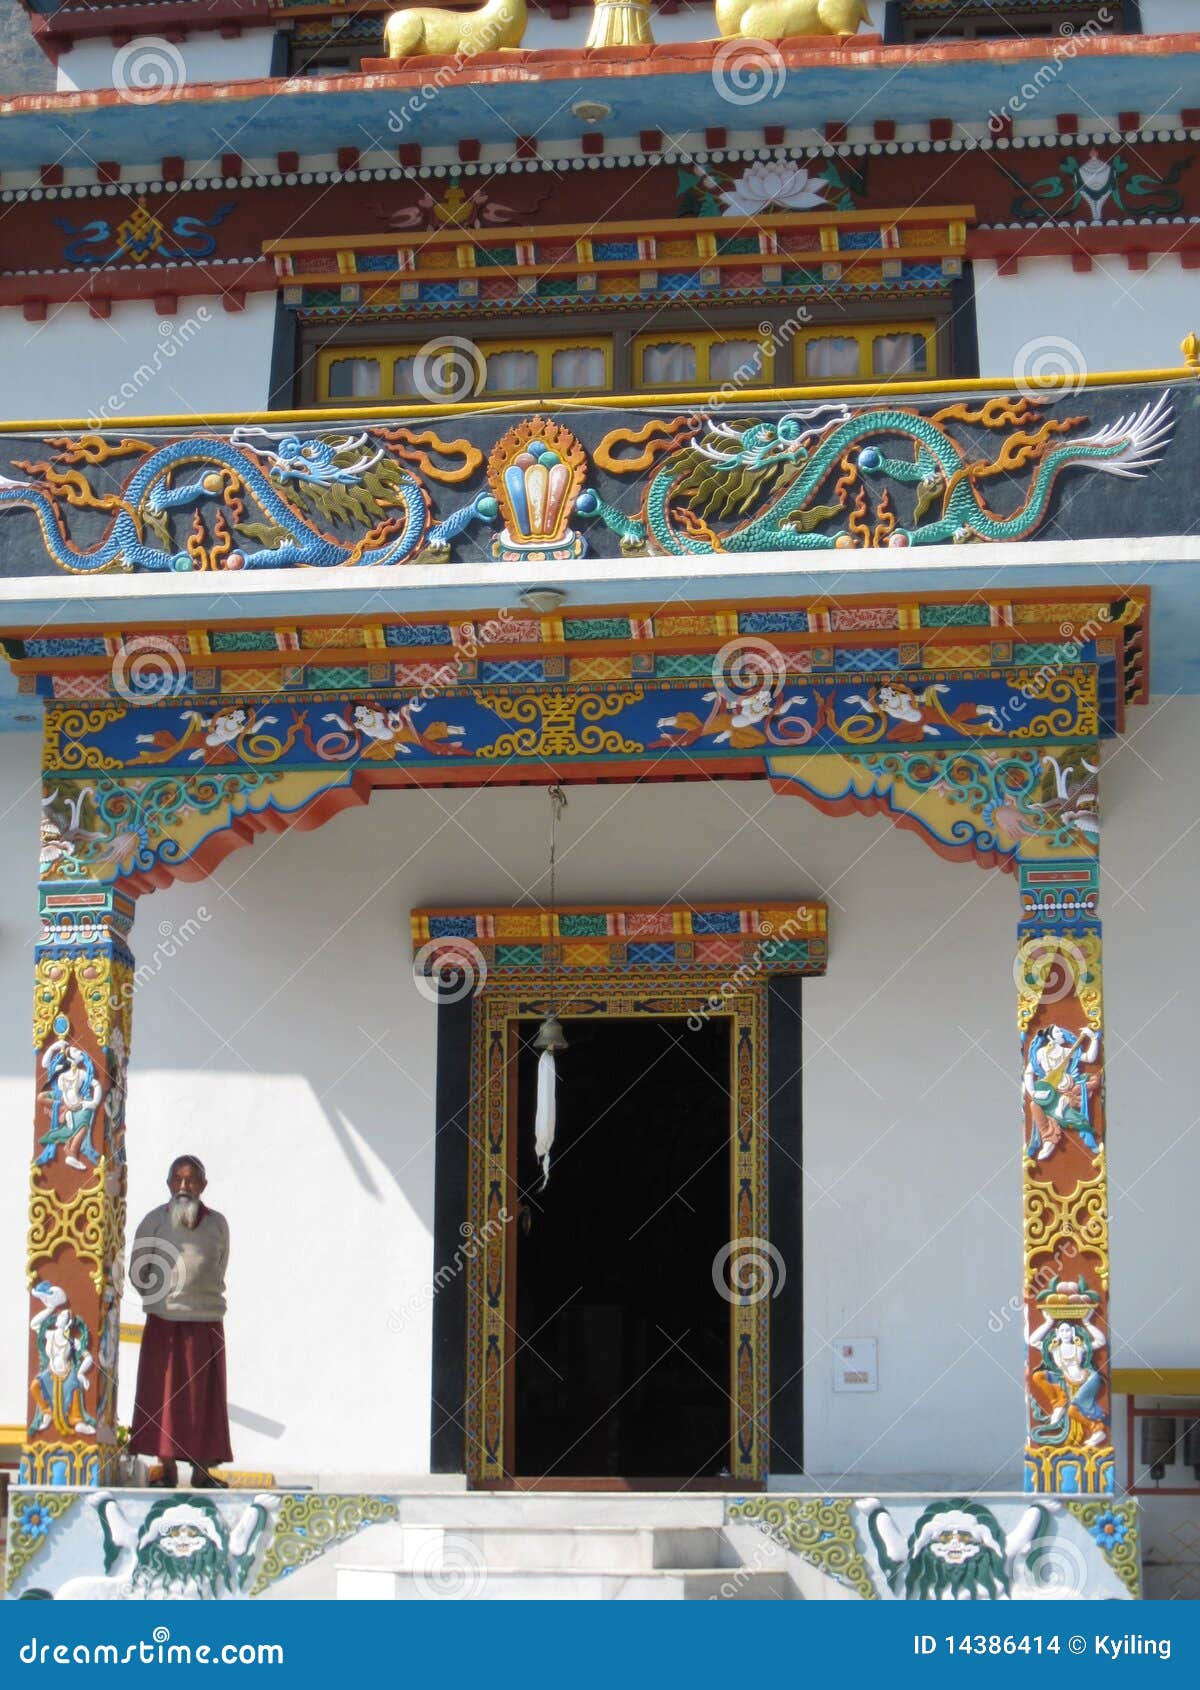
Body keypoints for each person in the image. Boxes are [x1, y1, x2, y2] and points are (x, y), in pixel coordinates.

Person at [128, 1155, 232, 1488]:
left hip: (206, 1319)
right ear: (169, 1184)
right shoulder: (153, 1222)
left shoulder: (218, 1224)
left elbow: (220, 1265)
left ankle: (202, 1473)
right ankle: (167, 1469)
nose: (184, 1186)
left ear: (202, 1185)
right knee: (165, 1399)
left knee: (204, 1401)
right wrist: (161, 1298)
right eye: (178, 1179)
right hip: (165, 1321)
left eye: (191, 1180)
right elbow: (137, 1270)